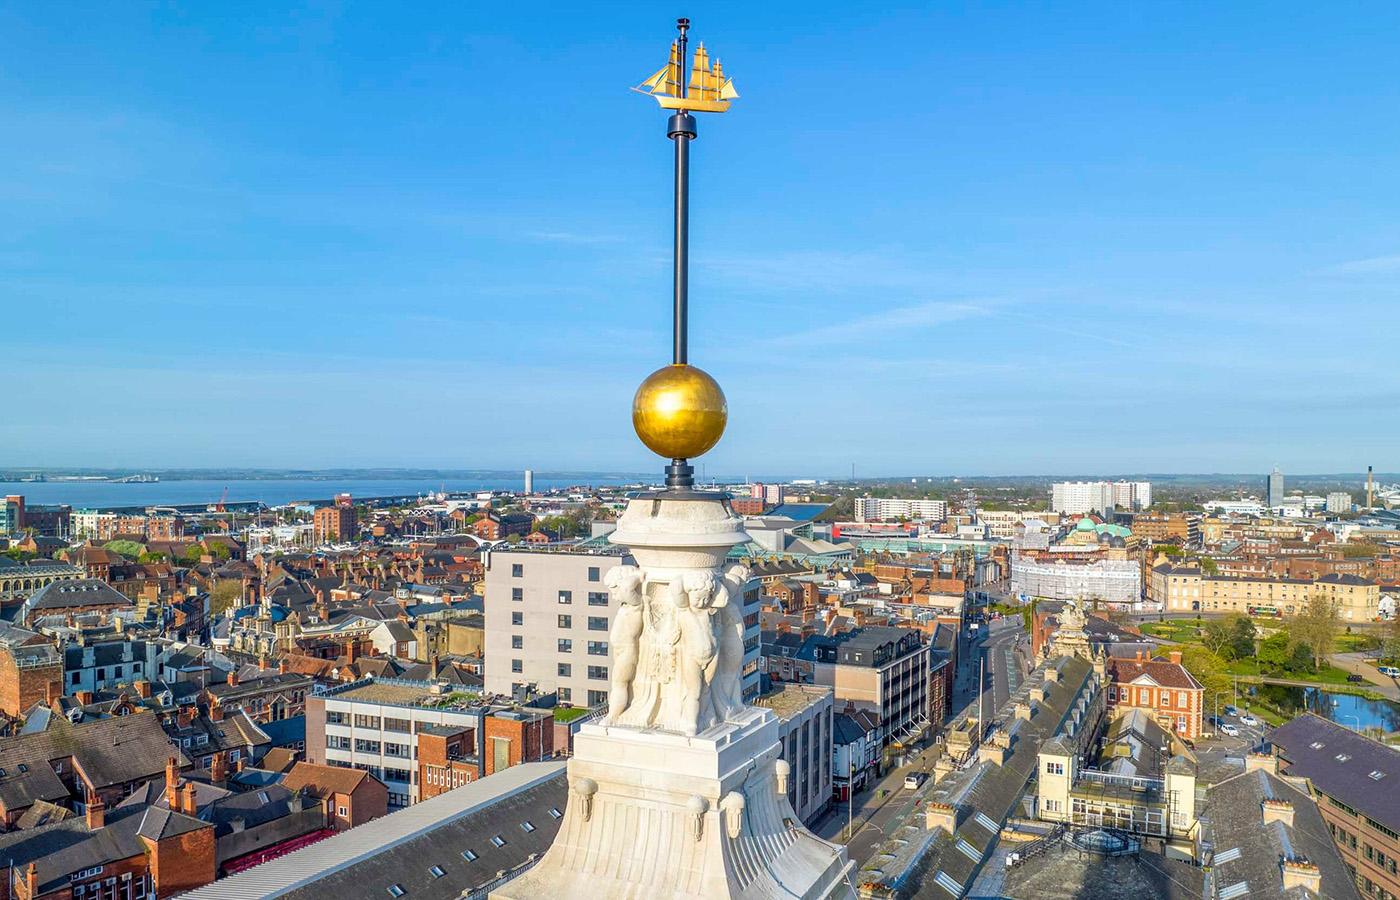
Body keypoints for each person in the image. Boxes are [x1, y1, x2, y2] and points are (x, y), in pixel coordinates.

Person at [603, 565, 645, 724]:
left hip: (627, 652)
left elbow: (627, 589)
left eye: (615, 591)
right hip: (620, 651)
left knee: (619, 683)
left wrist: (637, 575)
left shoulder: (636, 604)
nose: (614, 597)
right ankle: (614, 712)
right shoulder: (626, 606)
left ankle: (613, 715)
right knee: (618, 683)